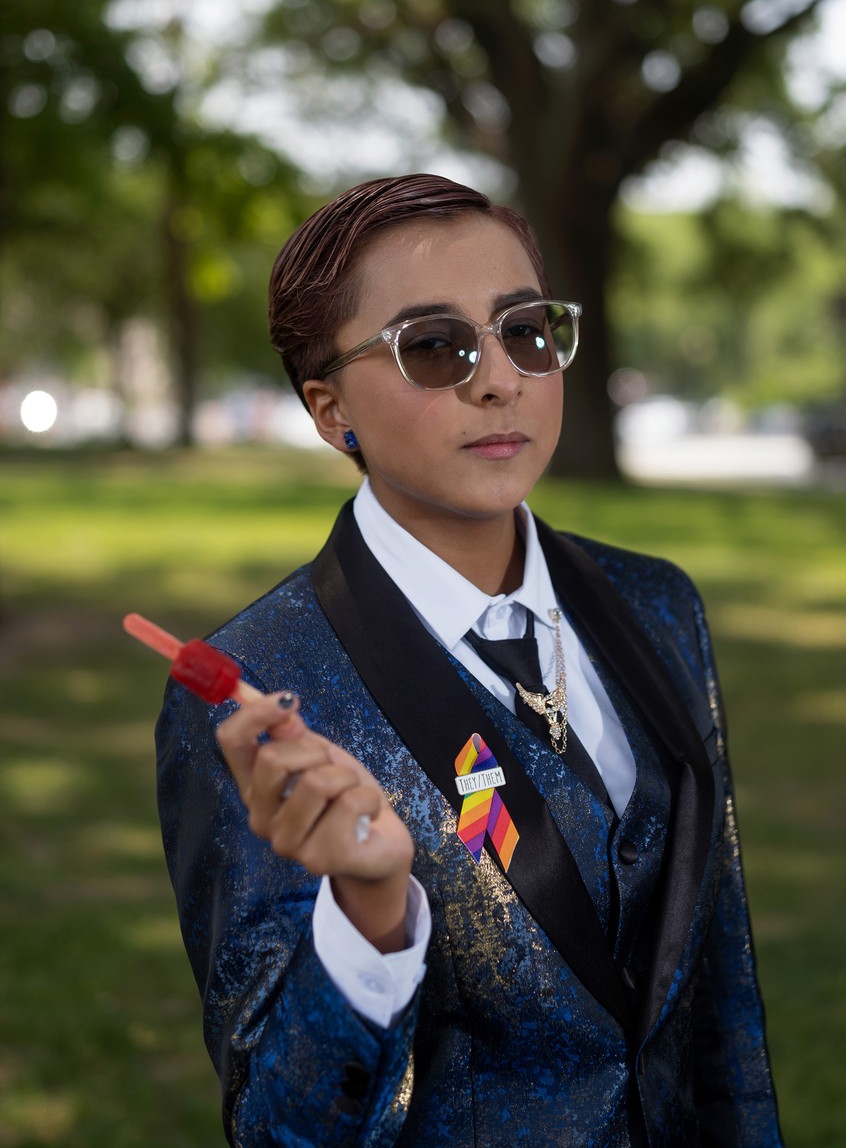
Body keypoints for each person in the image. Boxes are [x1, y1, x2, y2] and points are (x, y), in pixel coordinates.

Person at [154, 175, 780, 1144]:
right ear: (330, 409)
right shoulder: (259, 692)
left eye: (524, 331)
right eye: (434, 346)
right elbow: (280, 1127)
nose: (499, 379)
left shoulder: (657, 602)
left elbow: (719, 989)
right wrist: (370, 916)